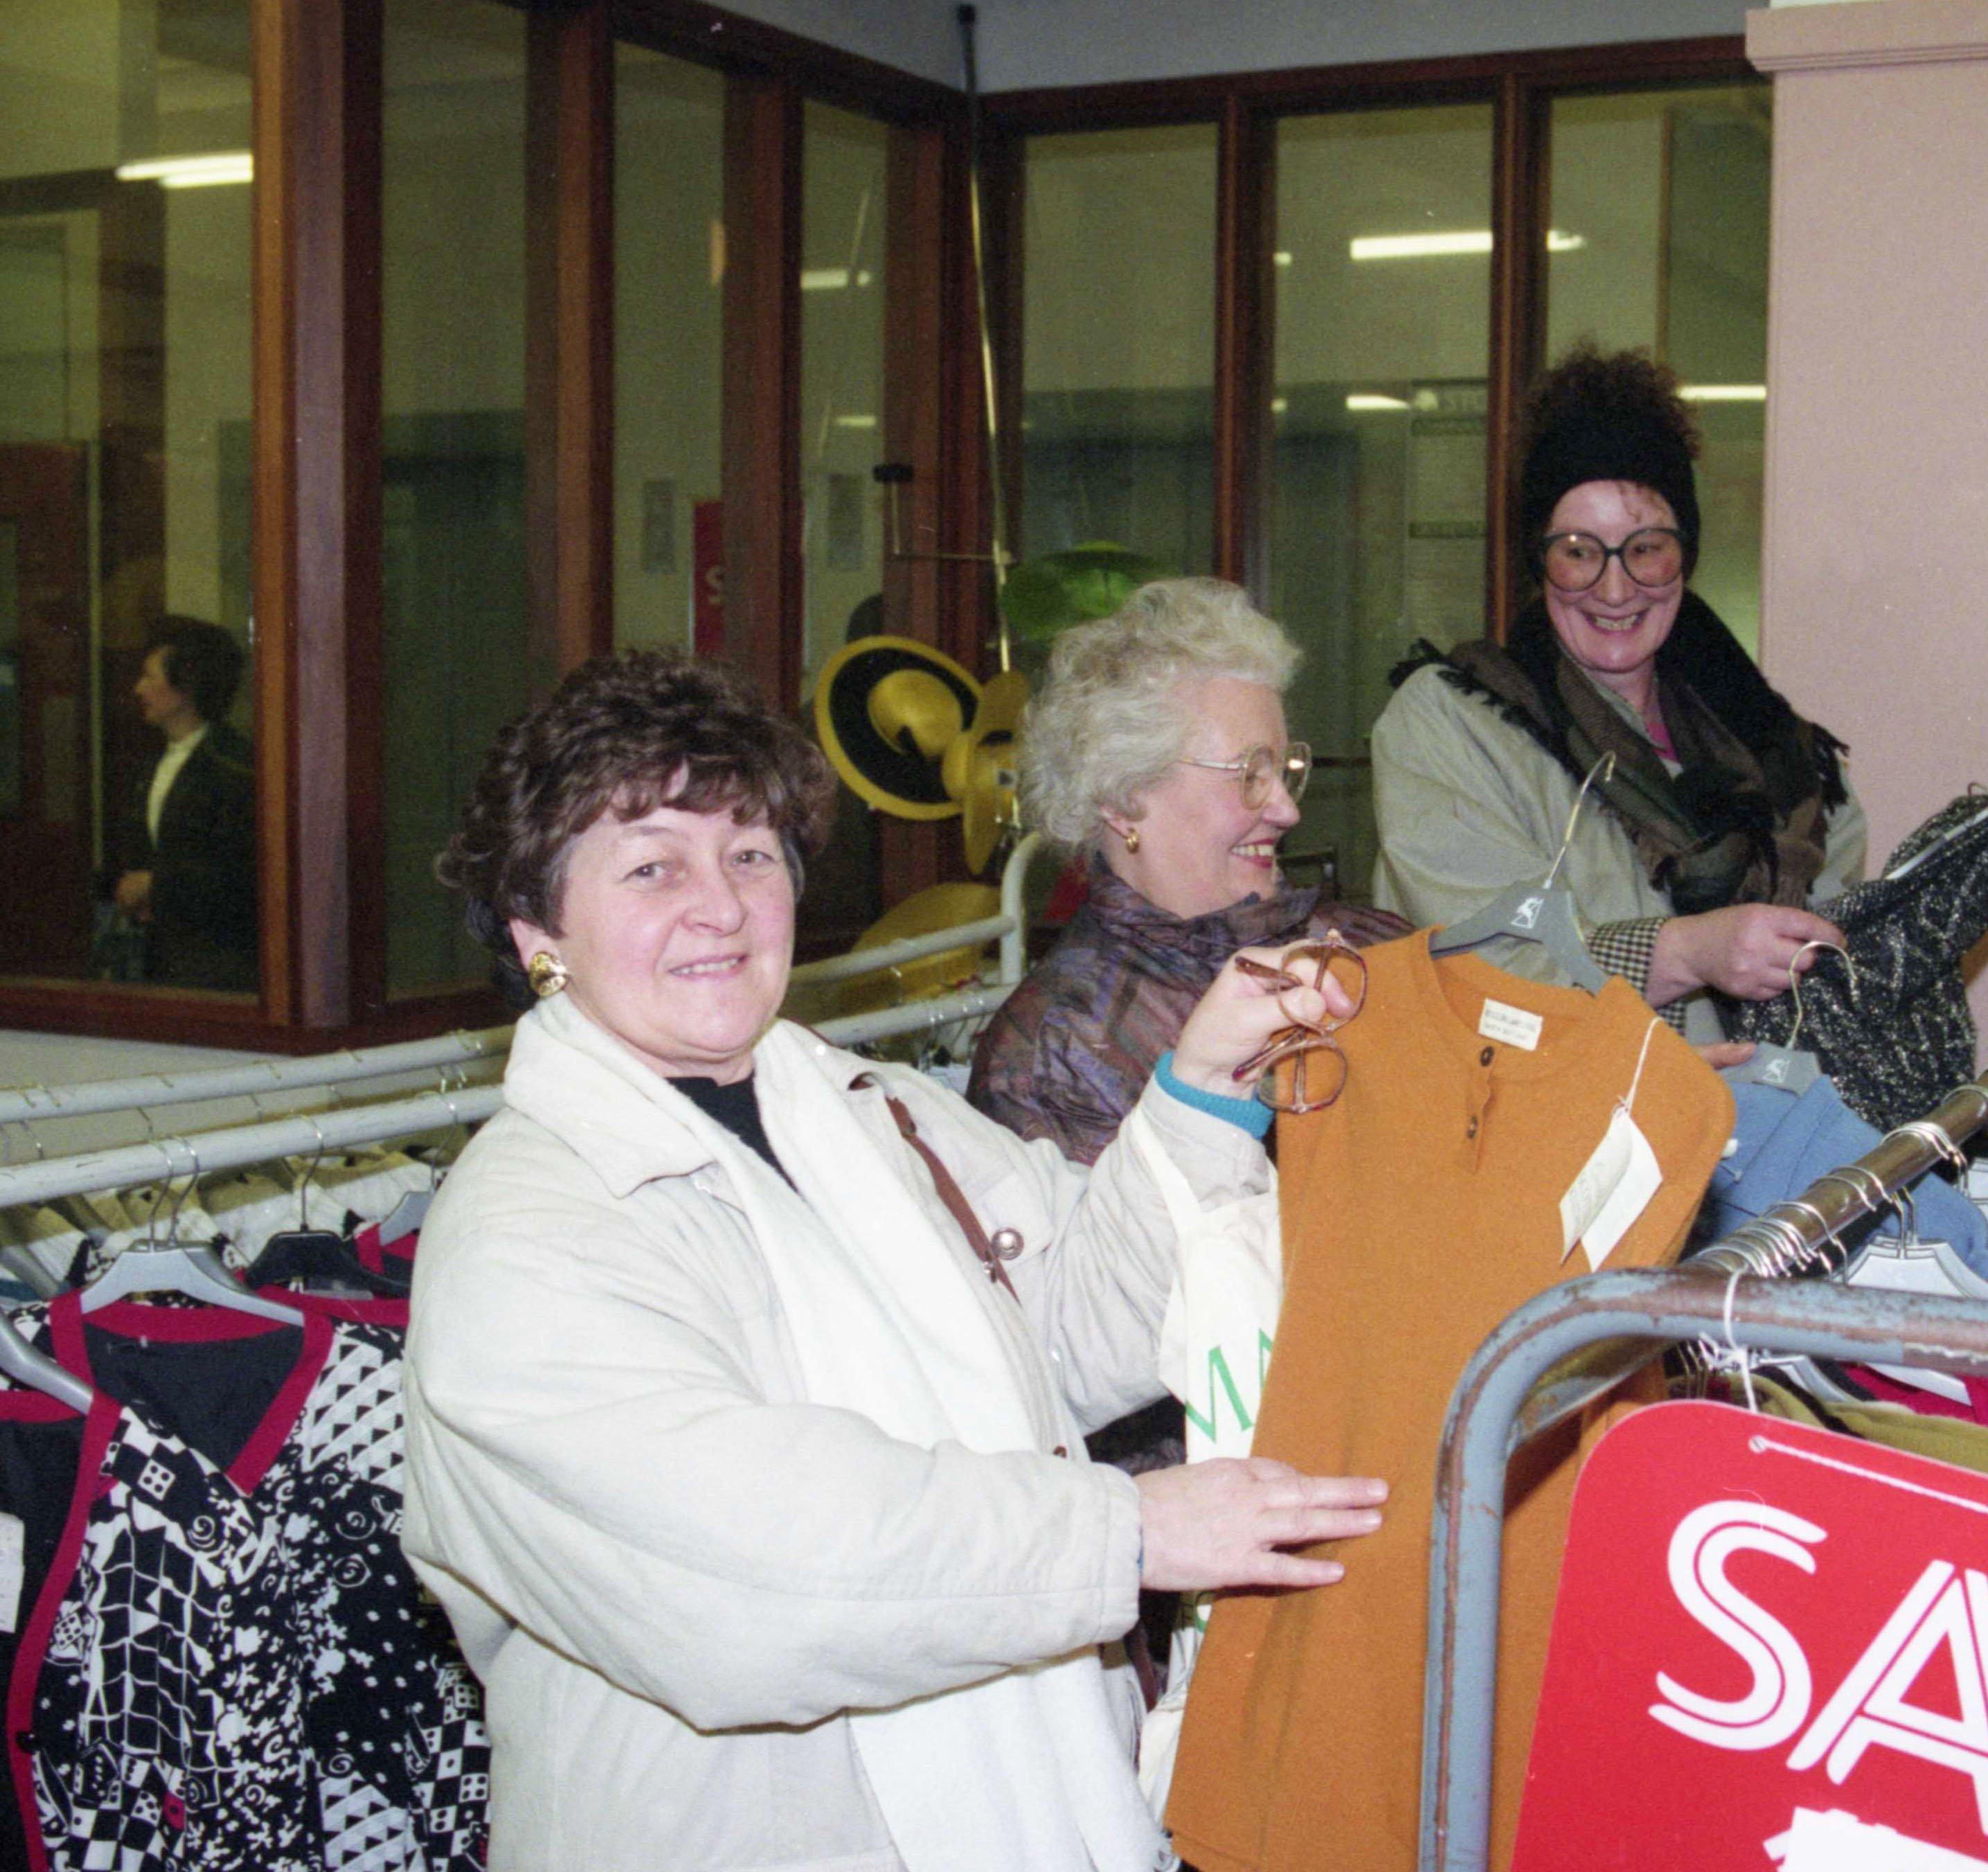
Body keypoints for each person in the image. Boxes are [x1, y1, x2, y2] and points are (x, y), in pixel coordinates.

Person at [400, 651, 1386, 1872]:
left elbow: (1072, 1321)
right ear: (539, 931)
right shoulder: (526, 1233)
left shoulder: (864, 1110)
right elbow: (745, 1571)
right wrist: (1122, 1534)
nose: (721, 903)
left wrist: (1204, 1081)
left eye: (752, 854)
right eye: (653, 864)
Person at [1370, 344, 1865, 1050]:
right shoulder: (1448, 726)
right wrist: (1687, 952)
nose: (1612, 588)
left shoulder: (1778, 750)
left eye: (1645, 548)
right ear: (1536, 560)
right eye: (1577, 549)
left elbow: (1839, 939)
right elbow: (1488, 976)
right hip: (1553, 1143)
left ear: (1683, 556)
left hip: (1754, 1130)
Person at [971, 577, 1409, 1166]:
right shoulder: (1060, 1054)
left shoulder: (1370, 941)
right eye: (1249, 773)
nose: (1287, 809)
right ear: (1122, 795)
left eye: (1283, 768)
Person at [114, 616, 258, 990]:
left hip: (219, 963)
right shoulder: (152, 764)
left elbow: (241, 870)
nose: (138, 688)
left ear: (186, 688)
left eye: (149, 677)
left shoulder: (235, 766)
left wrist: (157, 886)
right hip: (164, 954)